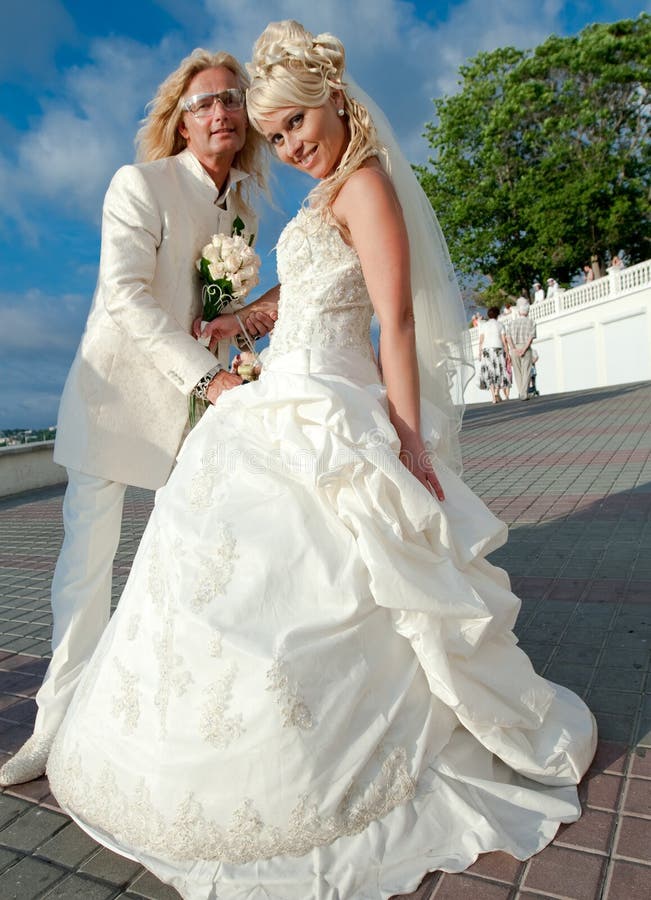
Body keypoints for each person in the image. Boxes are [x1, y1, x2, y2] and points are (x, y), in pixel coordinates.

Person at [46, 21, 596, 900]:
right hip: (277, 395)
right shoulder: (317, 196)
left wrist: (408, 440)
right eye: (276, 135)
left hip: (332, 403)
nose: (290, 145)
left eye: (296, 123)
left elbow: (396, 321)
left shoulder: (368, 184)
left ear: (335, 101)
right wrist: (239, 319)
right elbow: (300, 295)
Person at [0, 49, 275, 788]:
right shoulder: (139, 184)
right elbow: (125, 297)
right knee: (85, 578)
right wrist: (208, 376)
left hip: (195, 416)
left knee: (185, 569)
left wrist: (248, 331)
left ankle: (160, 726)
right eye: (203, 102)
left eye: (231, 99)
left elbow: (211, 313)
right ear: (180, 121)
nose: (219, 111)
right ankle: (49, 733)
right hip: (117, 404)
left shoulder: (242, 208)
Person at [478, 306, 511, 403]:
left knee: (489, 372)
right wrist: (508, 353)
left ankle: (493, 397)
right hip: (498, 348)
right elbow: (504, 341)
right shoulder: (500, 325)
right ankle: (497, 392)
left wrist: (479, 353)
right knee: (499, 371)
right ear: (497, 315)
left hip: (487, 349)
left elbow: (481, 340)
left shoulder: (484, 325)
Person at [508, 297, 537, 400]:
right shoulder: (531, 322)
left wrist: (514, 349)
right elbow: (530, 338)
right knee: (527, 371)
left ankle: (522, 393)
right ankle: (524, 394)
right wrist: (524, 350)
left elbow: (508, 337)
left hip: (514, 348)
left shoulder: (511, 323)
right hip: (526, 347)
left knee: (517, 371)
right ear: (527, 311)